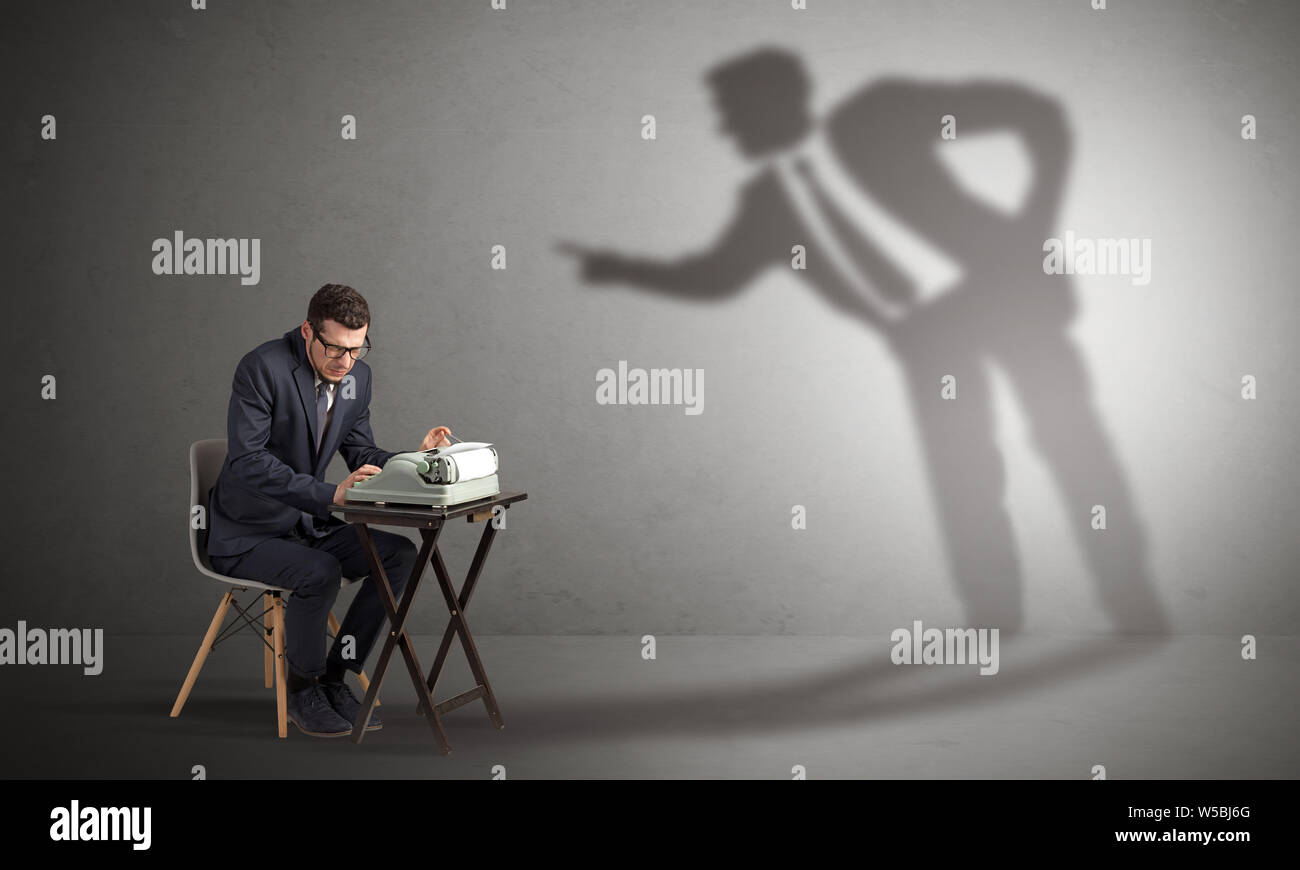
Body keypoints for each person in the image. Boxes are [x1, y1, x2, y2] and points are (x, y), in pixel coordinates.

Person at [560, 47, 1168, 635]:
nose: (724, 129)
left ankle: (1132, 599)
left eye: (732, 110)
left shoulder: (875, 115)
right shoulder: (767, 205)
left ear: (777, 100)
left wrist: (1033, 228)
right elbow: (714, 279)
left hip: (1012, 304)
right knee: (963, 472)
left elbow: (1035, 114)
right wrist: (616, 268)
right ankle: (994, 616)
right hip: (930, 342)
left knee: (1070, 442)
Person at [206, 283, 454, 736]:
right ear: (307, 331)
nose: (345, 362)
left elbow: (362, 453)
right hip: (247, 532)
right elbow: (247, 462)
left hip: (307, 525)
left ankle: (337, 674)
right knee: (318, 571)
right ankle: (302, 690)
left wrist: (414, 460)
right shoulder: (263, 368)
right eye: (335, 349)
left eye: (356, 350)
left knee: (397, 555)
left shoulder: (358, 377)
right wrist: (329, 495)